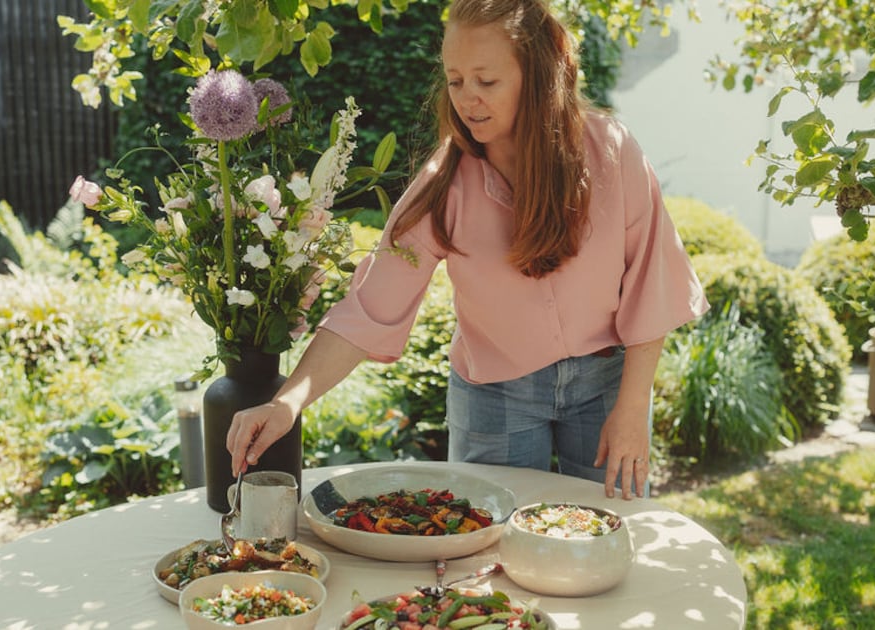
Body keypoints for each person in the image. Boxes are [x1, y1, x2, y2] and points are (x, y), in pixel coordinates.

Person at [228, 0, 708, 499]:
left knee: (613, 527)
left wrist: (633, 407)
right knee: (489, 537)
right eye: (455, 81)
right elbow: (366, 311)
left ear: (537, 73)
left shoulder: (611, 150)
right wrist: (286, 404)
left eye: (487, 81)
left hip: (608, 384)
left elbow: (651, 283)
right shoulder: (444, 183)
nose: (467, 99)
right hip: (495, 396)